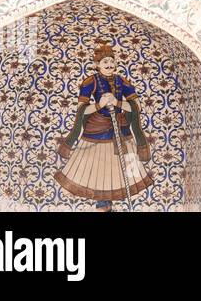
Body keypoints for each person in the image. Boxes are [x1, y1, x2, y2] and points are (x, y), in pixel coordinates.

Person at [55, 43, 153, 210]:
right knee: (97, 171)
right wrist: (99, 105)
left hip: (120, 129)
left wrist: (117, 102)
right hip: (96, 131)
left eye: (111, 61)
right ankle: (103, 205)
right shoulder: (90, 82)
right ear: (97, 64)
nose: (109, 65)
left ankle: (109, 205)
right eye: (105, 61)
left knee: (121, 173)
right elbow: (81, 109)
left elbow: (137, 106)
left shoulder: (122, 81)